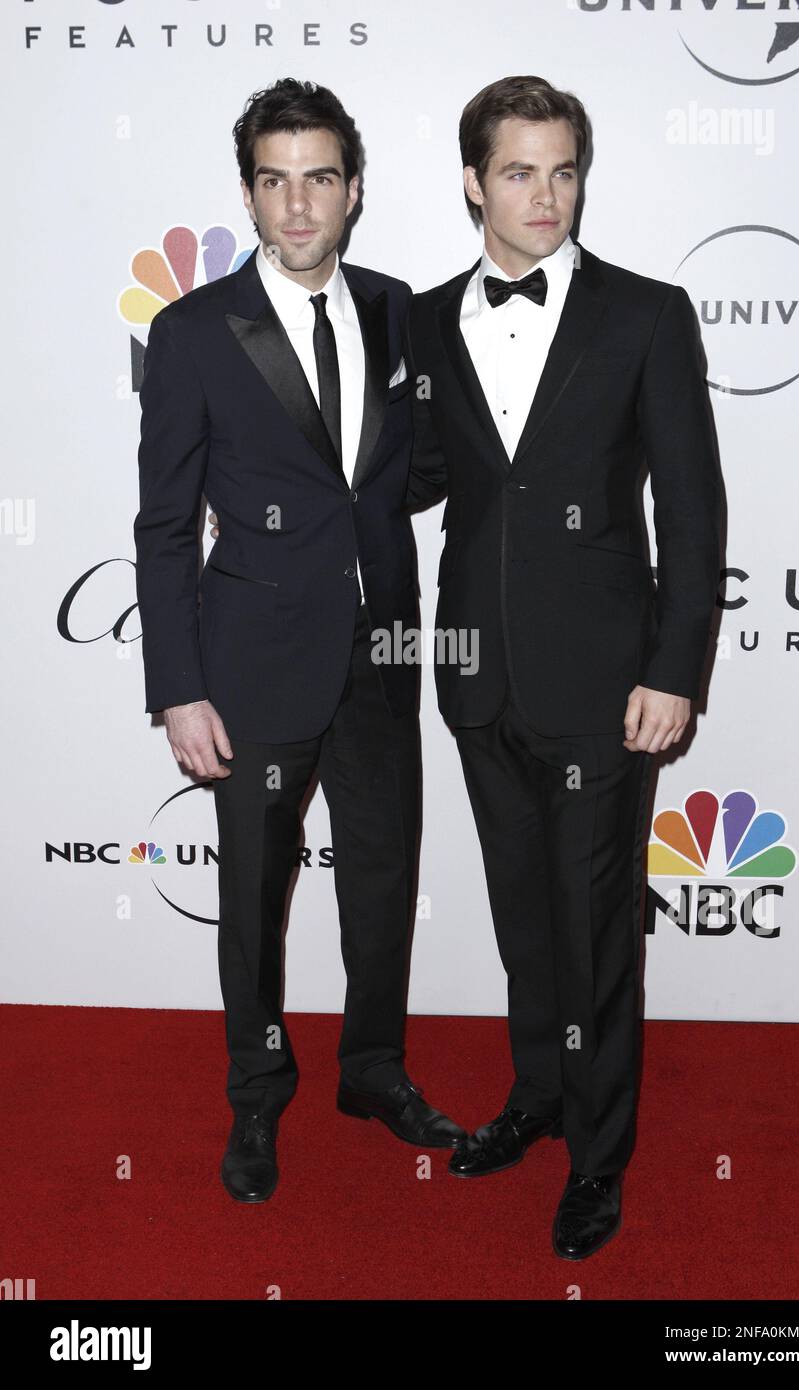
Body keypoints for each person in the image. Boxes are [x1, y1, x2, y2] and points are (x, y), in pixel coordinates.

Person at [405, 75, 722, 1259]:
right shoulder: (429, 320)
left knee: (593, 931)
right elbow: (426, 476)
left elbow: (693, 509)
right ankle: (538, 1094)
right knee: (523, 923)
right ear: (474, 182)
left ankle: (597, 1157)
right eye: (520, 171)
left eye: (565, 170)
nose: (545, 196)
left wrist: (674, 668)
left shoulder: (646, 312)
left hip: (602, 681)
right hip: (477, 673)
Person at [133, 78, 465, 1207]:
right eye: (273, 181)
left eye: (318, 177)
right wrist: (177, 687)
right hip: (254, 664)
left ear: (353, 189)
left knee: (380, 879)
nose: (296, 206)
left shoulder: (396, 308)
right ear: (248, 192)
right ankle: (256, 1094)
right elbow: (166, 522)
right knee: (255, 899)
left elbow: (410, 468)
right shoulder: (189, 332)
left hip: (378, 653)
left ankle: (371, 1069)